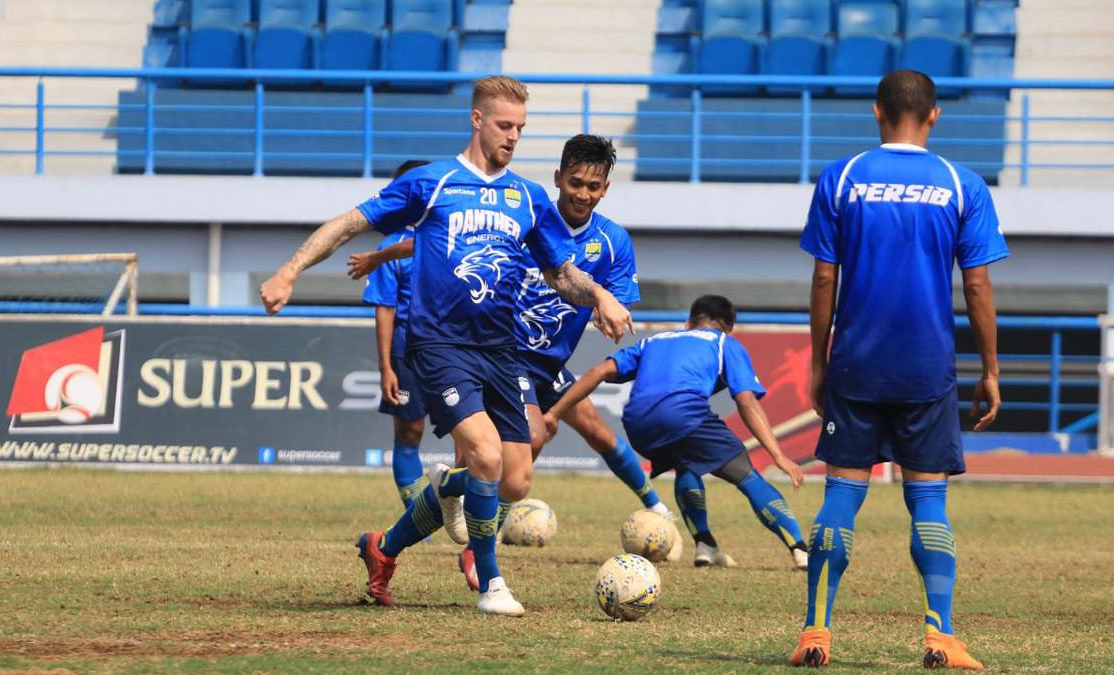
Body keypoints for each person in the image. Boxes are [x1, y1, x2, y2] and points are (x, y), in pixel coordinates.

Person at [260, 75, 633, 617]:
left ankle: (383, 547)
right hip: (439, 344)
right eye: (505, 126)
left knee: (515, 476)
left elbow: (561, 274)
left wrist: (598, 294)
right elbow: (350, 223)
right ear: (477, 120)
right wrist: (289, 271)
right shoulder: (432, 183)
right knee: (484, 453)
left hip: (500, 350)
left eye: (521, 129)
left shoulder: (528, 197)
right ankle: (491, 583)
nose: (513, 137)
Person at [349, 135, 680, 588]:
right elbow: (439, 239)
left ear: (605, 189)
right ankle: (478, 557)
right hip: (498, 351)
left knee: (507, 467)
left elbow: (616, 299)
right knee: (514, 455)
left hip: (548, 364)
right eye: (576, 182)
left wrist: (612, 311)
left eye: (593, 186)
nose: (583, 193)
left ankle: (389, 544)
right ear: (559, 179)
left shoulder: (613, 242)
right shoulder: (529, 215)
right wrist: (380, 255)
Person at [788, 70, 1006, 669]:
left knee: (841, 495)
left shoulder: (844, 177)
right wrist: (990, 369)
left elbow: (824, 277)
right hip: (926, 367)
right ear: (934, 116)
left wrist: (818, 360)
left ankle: (816, 633)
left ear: (876, 112)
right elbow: (979, 286)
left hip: (858, 361)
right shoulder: (962, 184)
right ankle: (940, 637)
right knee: (928, 502)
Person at [544, 295, 809, 569]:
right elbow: (745, 400)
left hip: (637, 422)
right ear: (728, 328)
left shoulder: (654, 341)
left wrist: (553, 413)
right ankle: (800, 549)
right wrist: (778, 455)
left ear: (688, 323)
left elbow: (599, 371)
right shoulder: (724, 343)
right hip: (683, 414)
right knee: (746, 474)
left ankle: (705, 544)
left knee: (686, 464)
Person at [360, 159, 432, 514]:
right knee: (409, 434)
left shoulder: (457, 234)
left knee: (471, 437)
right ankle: (418, 520)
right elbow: (384, 308)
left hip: (459, 351)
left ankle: (468, 519)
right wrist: (386, 367)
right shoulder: (391, 246)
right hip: (408, 354)